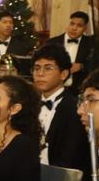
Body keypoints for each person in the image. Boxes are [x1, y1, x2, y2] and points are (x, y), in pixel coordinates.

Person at [32, 44, 88, 172]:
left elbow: (71, 158)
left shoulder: (75, 109)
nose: (40, 74)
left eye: (48, 68)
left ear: (63, 74)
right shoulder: (28, 104)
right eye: (37, 68)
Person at [46, 10, 99, 88]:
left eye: (79, 25)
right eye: (72, 24)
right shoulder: (51, 43)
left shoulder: (91, 44)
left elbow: (98, 64)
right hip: (54, 87)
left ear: (85, 28)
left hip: (79, 89)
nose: (74, 28)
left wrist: (81, 66)